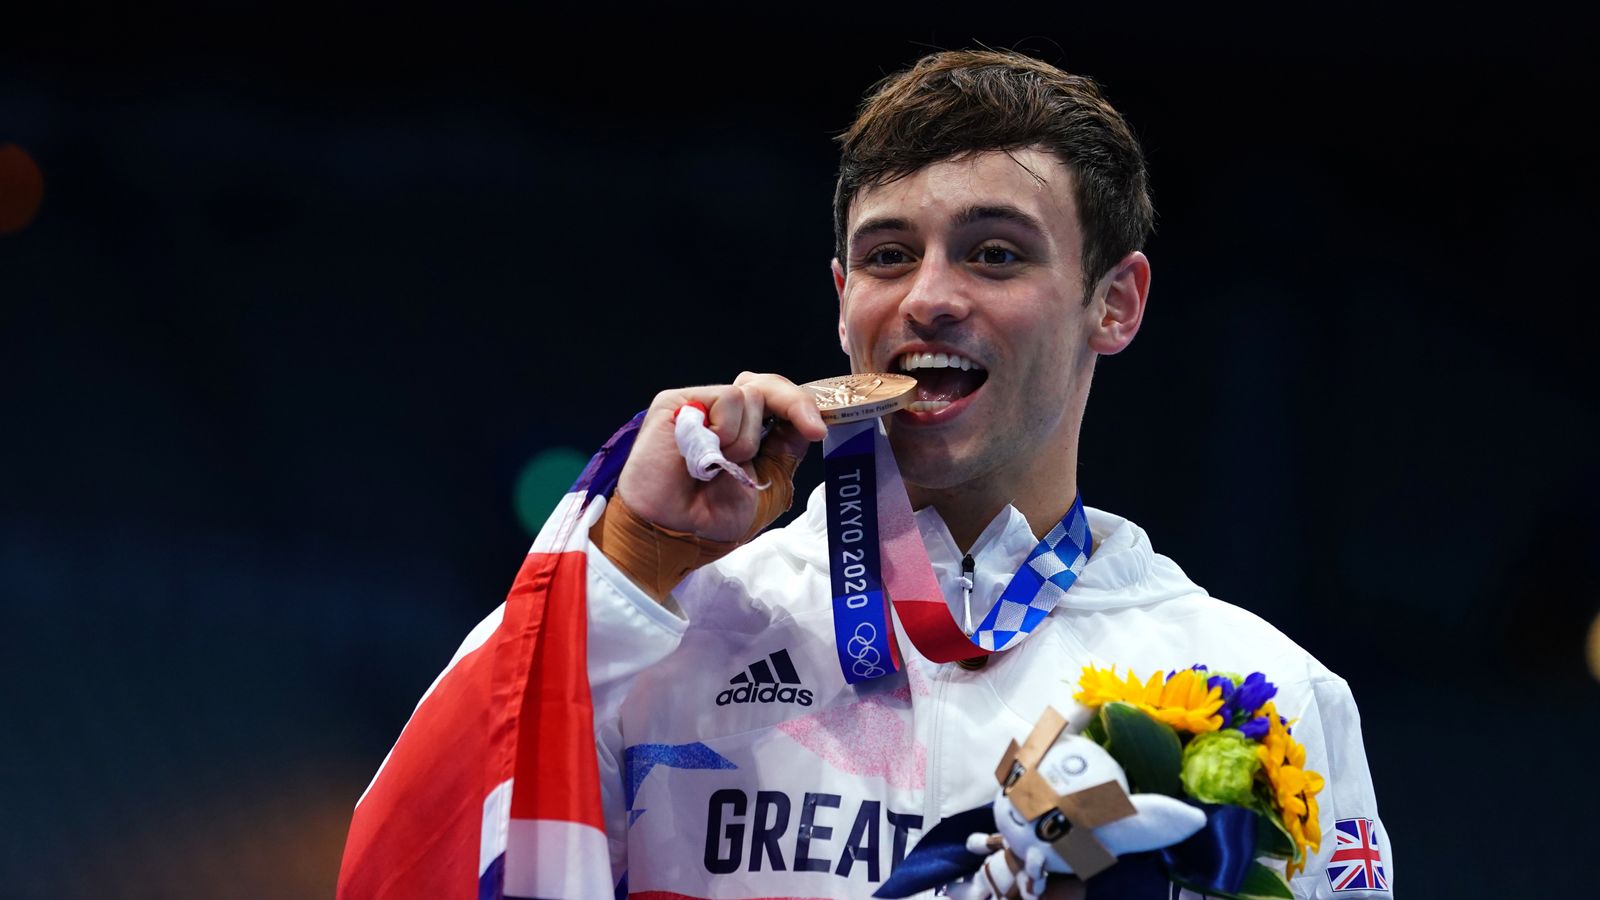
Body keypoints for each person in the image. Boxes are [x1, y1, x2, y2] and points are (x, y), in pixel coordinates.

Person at [344, 49, 1392, 900]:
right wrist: (627, 565)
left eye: (994, 254)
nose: (929, 296)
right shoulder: (666, 631)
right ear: (843, 297)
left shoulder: (1262, 698)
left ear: (1115, 304)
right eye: (889, 256)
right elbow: (417, 854)